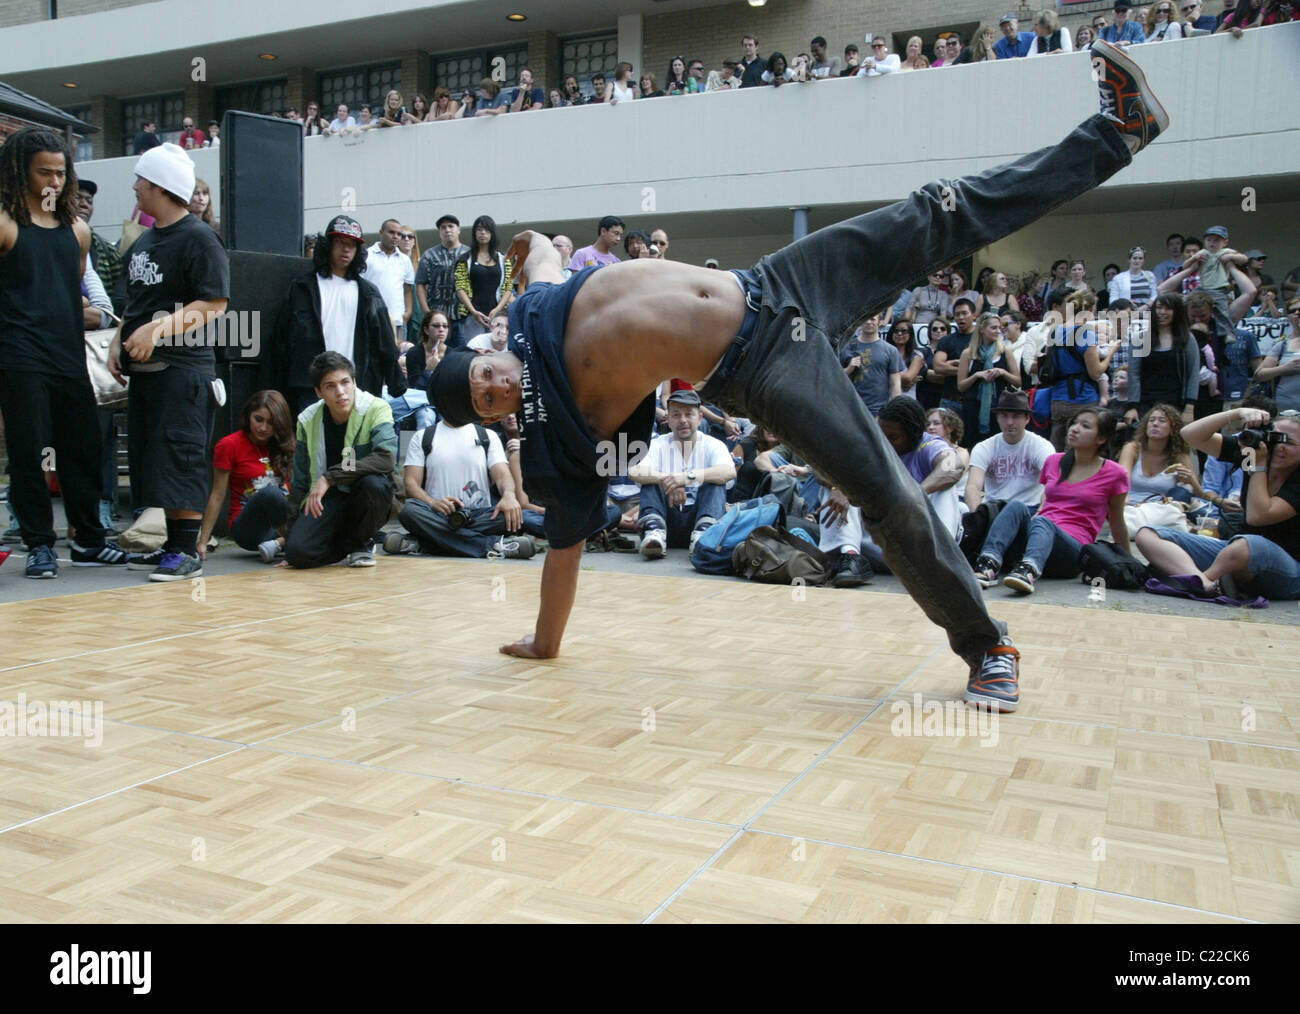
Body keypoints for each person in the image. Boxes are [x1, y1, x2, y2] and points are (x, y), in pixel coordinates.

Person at [428, 40, 1168, 713]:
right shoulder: (558, 435)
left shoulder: (523, 313)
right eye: (488, 402)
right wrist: (544, 642)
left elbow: (547, 260)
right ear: (494, 416)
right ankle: (988, 648)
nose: (497, 389)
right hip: (763, 370)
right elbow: (564, 549)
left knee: (938, 213)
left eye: (488, 375)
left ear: (485, 348)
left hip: (779, 283)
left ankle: (1118, 133)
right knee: (886, 492)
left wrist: (526, 245)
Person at [0, 126, 128, 578]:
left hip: (68, 356)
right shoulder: (6, 223)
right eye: (43, 172)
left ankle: (89, 541)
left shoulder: (77, 230)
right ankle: (38, 543)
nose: (53, 181)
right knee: (30, 454)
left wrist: (93, 312)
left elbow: (71, 287)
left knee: (82, 451)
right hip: (20, 356)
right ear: (20, 171)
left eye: (60, 172)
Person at [108, 142, 230, 582]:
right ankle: (169, 544)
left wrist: (155, 331)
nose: (135, 187)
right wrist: (118, 340)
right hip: (147, 375)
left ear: (160, 185)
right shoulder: (145, 239)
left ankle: (186, 551)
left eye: (141, 179)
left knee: (181, 457)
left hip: (183, 372)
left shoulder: (199, 237)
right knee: (153, 458)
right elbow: (134, 300)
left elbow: (214, 304)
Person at [1137, 406, 1300, 599]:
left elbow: (1258, 516)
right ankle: (1204, 584)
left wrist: (1259, 466)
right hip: (1238, 554)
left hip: (1290, 572)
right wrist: (1237, 413)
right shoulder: (1254, 453)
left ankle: (1201, 581)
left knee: (1246, 545)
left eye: (1288, 442)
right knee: (1147, 534)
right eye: (1275, 438)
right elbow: (1190, 434)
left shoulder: (1259, 461)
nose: (1279, 447)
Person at [973, 408, 1131, 591]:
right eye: (1075, 423)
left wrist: (1127, 563)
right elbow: (1046, 503)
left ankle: (1029, 570)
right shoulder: (1054, 461)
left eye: (1085, 426)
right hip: (1037, 536)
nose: (1075, 429)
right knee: (1015, 506)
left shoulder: (1115, 474)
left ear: (1101, 439)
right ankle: (988, 563)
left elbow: (1117, 522)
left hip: (1072, 551)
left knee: (1043, 522)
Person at [274, 215, 404, 414]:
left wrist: (396, 382)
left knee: (353, 444)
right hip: (311, 386)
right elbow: (283, 337)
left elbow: (385, 341)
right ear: (328, 245)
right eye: (340, 242)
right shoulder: (303, 287)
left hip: (356, 386)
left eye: (352, 245)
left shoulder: (368, 293)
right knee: (313, 442)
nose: (346, 249)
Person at [283, 352, 398, 569]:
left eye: (345, 382)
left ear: (354, 382)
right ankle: (347, 543)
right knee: (298, 554)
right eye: (330, 386)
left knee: (373, 483)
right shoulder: (307, 419)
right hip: (330, 499)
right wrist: (291, 536)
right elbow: (300, 481)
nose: (340, 392)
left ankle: (362, 543)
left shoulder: (376, 408)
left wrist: (330, 476)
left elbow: (386, 458)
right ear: (319, 392)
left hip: (368, 494)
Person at [386, 413, 536, 560]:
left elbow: (503, 475)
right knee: (409, 510)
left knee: (514, 515)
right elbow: (411, 484)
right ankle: (494, 545)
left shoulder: (487, 435)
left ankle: (426, 543)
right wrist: (434, 503)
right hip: (436, 514)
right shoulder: (423, 436)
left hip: (479, 515)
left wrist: (508, 495)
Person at [628, 384, 734, 558]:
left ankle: (704, 535)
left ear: (700, 418)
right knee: (651, 478)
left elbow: (729, 471)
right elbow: (635, 471)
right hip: (666, 521)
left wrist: (686, 478)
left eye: (689, 414)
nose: (683, 420)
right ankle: (654, 532)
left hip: (699, 519)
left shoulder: (714, 444)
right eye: (676, 415)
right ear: (667, 419)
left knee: (715, 479)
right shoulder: (656, 444)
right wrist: (667, 479)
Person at [198, 390, 295, 563]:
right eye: (258, 419)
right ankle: (296, 542)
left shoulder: (287, 446)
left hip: (284, 521)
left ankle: (281, 543)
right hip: (249, 528)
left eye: (271, 423)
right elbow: (217, 495)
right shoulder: (229, 445)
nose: (263, 428)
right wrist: (202, 542)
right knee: (270, 493)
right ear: (248, 415)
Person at [1043, 288, 1113, 449]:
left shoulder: (1054, 332)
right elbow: (1095, 372)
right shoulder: (1086, 334)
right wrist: (1111, 352)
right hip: (1083, 399)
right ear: (1091, 310)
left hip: (1058, 399)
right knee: (1079, 452)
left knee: (1056, 450)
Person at [965, 389, 1056, 511]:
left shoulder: (1042, 446)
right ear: (997, 418)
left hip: (1028, 508)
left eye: (1016, 416)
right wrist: (977, 515)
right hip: (994, 508)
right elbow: (973, 487)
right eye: (1004, 416)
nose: (1009, 422)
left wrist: (1039, 515)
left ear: (1027, 419)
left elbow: (1051, 485)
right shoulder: (984, 447)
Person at [1126, 292, 1199, 419]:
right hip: (1146, 404)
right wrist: (1133, 406)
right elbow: (1134, 374)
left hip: (1177, 404)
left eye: (1168, 308)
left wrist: (1189, 407)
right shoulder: (1140, 338)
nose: (1162, 312)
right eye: (1159, 308)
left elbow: (1193, 373)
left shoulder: (1187, 339)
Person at [957, 313, 1022, 448]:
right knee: (973, 446)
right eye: (993, 328)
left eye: (999, 328)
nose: (998, 331)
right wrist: (976, 376)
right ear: (981, 329)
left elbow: (1017, 381)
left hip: (999, 408)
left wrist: (1003, 372)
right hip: (973, 408)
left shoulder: (1005, 351)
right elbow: (961, 386)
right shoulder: (968, 354)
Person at [1117, 404, 1201, 503]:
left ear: (1172, 429)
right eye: (1151, 420)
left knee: (1184, 491)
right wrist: (1124, 501)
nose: (1155, 424)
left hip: (1160, 509)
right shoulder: (1132, 448)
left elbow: (1199, 494)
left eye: (1162, 421)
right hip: (1130, 506)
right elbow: (1122, 480)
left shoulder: (1179, 455)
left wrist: (1192, 481)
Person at [455, 215, 515, 342]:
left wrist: (497, 310)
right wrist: (473, 311)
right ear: (474, 233)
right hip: (473, 315)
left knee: (499, 350)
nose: (483, 233)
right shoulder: (465, 259)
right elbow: (460, 287)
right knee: (475, 351)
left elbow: (509, 287)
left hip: (498, 315)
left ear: (492, 233)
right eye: (479, 229)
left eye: (487, 230)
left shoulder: (503, 259)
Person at [416, 213, 470, 348]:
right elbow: (420, 284)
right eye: (443, 227)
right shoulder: (429, 255)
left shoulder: (470, 254)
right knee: (435, 354)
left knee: (462, 356)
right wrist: (427, 312)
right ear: (439, 232)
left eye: (451, 226)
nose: (447, 230)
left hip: (462, 317)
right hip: (437, 317)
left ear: (459, 229)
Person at [361, 218, 414, 344]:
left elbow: (407, 290)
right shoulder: (367, 256)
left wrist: (407, 313)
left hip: (397, 322)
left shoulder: (405, 260)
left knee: (398, 360)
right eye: (391, 232)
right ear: (381, 232)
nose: (396, 237)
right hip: (371, 319)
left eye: (398, 234)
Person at [840, 314, 904, 417]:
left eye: (873, 319)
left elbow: (895, 383)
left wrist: (896, 408)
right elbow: (834, 377)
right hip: (852, 409)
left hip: (879, 410)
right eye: (865, 319)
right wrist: (848, 369)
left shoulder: (890, 350)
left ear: (879, 322)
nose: (869, 322)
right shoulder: (847, 347)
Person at [1254, 299, 1300, 413]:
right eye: (1292, 310)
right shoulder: (1282, 344)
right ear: (1287, 316)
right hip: (1287, 408)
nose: (1297, 313)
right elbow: (1259, 374)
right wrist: (1285, 368)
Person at [886, 320, 927, 398]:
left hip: (907, 401)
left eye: (904, 331)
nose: (899, 333)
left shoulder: (916, 355)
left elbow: (908, 378)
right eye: (896, 331)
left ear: (910, 334)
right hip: (885, 400)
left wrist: (885, 373)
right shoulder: (884, 352)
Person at [1108, 245, 1157, 311]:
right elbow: (1113, 299)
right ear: (1129, 260)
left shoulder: (1150, 275)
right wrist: (1126, 304)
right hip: (1127, 314)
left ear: (1144, 260)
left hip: (1147, 312)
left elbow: (1154, 296)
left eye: (1140, 258)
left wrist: (1146, 306)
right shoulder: (1118, 278)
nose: (1137, 261)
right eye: (1134, 258)